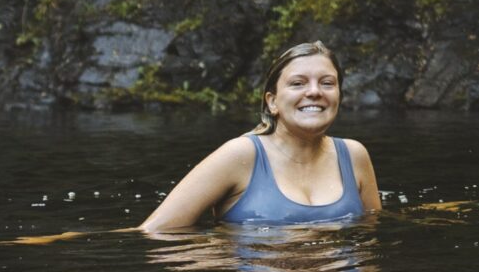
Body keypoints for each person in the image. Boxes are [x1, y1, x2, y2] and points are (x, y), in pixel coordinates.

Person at [140, 41, 380, 230]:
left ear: (339, 96)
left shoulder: (354, 155)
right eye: (298, 83)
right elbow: (155, 232)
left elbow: (372, 236)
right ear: (272, 102)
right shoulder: (239, 155)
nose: (315, 92)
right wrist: (230, 256)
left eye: (327, 83)